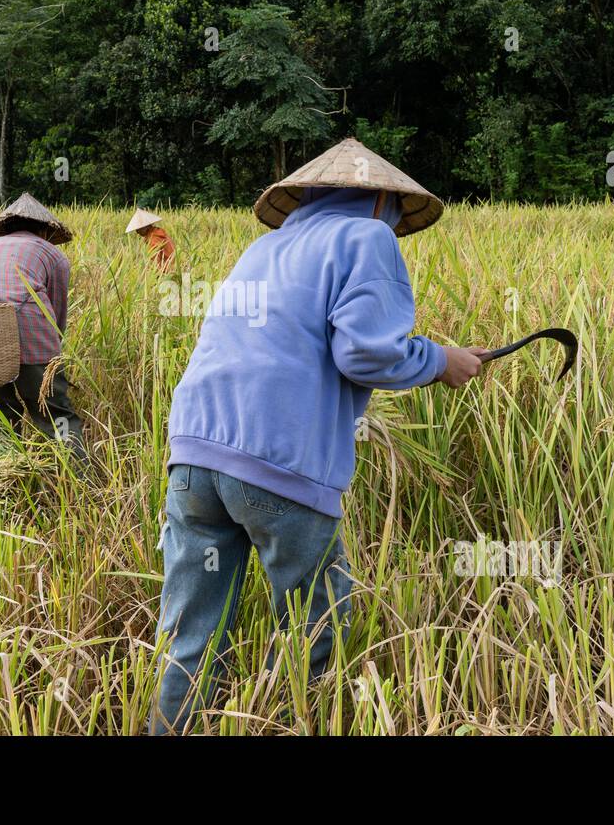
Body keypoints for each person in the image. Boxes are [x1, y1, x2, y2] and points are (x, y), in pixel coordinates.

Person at [151, 137, 489, 733]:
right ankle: (298, 722)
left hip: (194, 455)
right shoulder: (369, 237)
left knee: (191, 632)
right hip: (278, 457)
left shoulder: (264, 247)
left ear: (307, 194)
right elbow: (362, 352)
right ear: (384, 199)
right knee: (316, 626)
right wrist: (442, 361)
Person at [0, 193, 87, 462]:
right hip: (27, 331)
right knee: (55, 415)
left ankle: (5, 480)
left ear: (5, 227)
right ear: (45, 229)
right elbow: (55, 314)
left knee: (0, 416)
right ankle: (79, 483)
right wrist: (54, 356)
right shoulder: (53, 254)